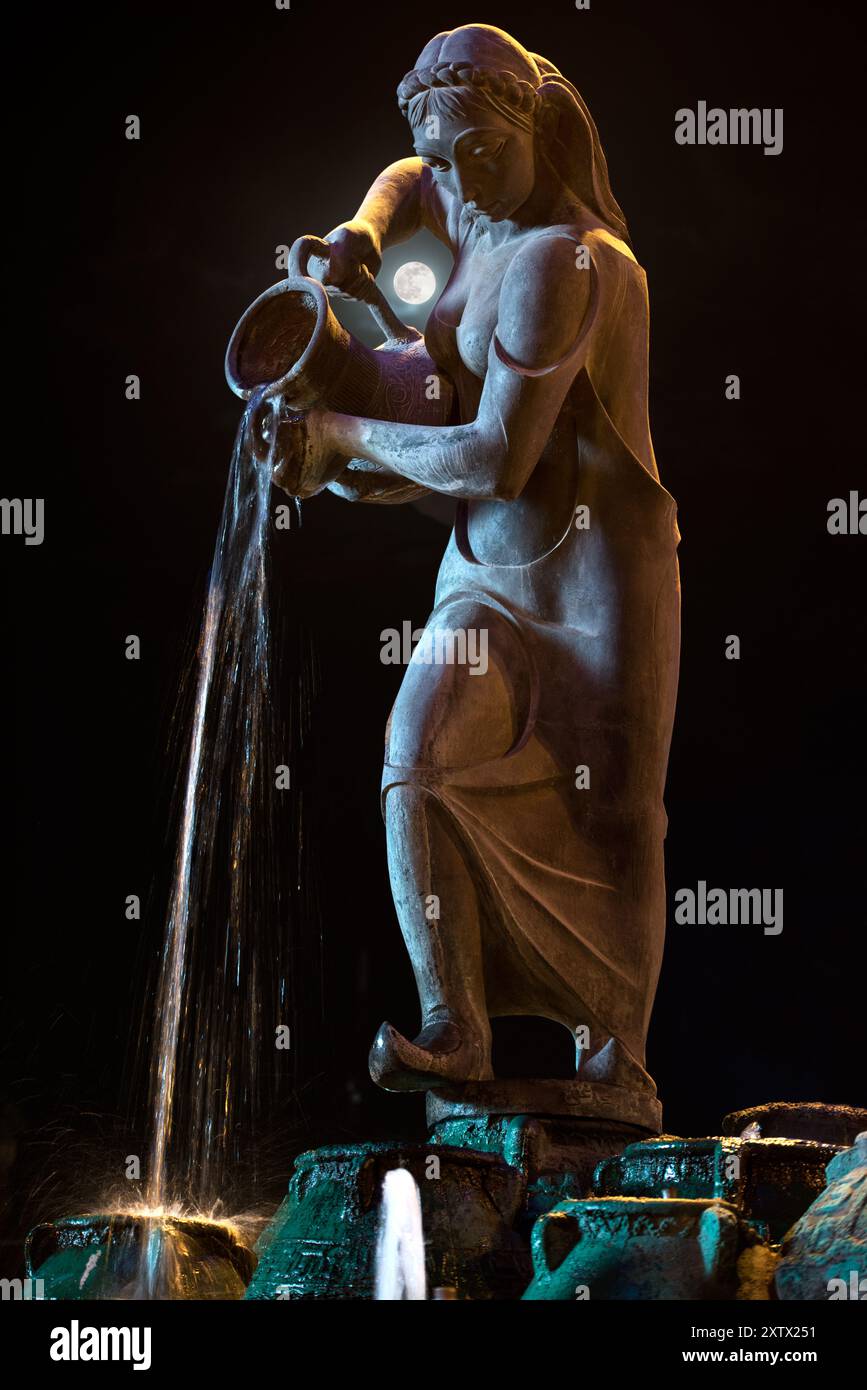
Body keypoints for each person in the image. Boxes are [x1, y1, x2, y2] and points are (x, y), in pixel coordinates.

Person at [274, 24, 681, 1100]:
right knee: (419, 757)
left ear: (536, 130)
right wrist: (361, 234)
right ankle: (456, 1025)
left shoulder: (567, 262)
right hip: (486, 571)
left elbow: (496, 457)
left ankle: (615, 1060)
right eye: (445, 158)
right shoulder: (467, 186)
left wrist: (345, 441)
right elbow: (413, 170)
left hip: (597, 585)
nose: (454, 183)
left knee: (610, 812)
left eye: (479, 155)